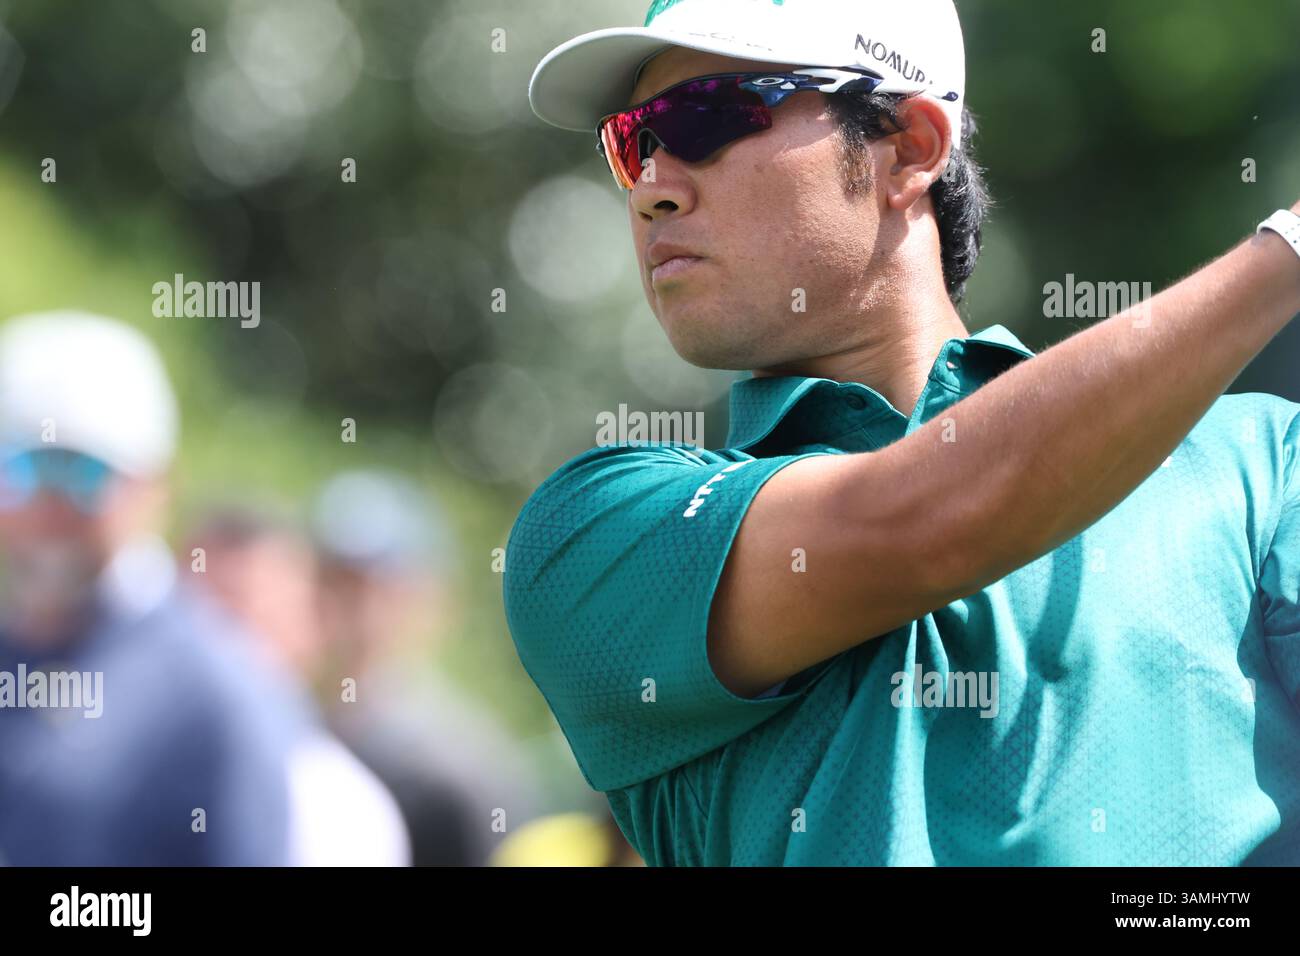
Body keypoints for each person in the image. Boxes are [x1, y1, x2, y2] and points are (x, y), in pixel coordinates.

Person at [504, 0, 1300, 865]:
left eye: (706, 118)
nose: (652, 186)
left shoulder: (1263, 466)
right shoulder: (588, 534)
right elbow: (924, 519)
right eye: (631, 140)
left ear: (910, 147)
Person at [0, 311, 408, 866]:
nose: (48, 510)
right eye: (18, 467)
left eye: (82, 473)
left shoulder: (219, 699)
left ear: (153, 485)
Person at [311, 470, 543, 865]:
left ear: (432, 600)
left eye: (374, 586)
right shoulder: (282, 722)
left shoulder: (461, 769)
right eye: (333, 579)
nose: (351, 606)